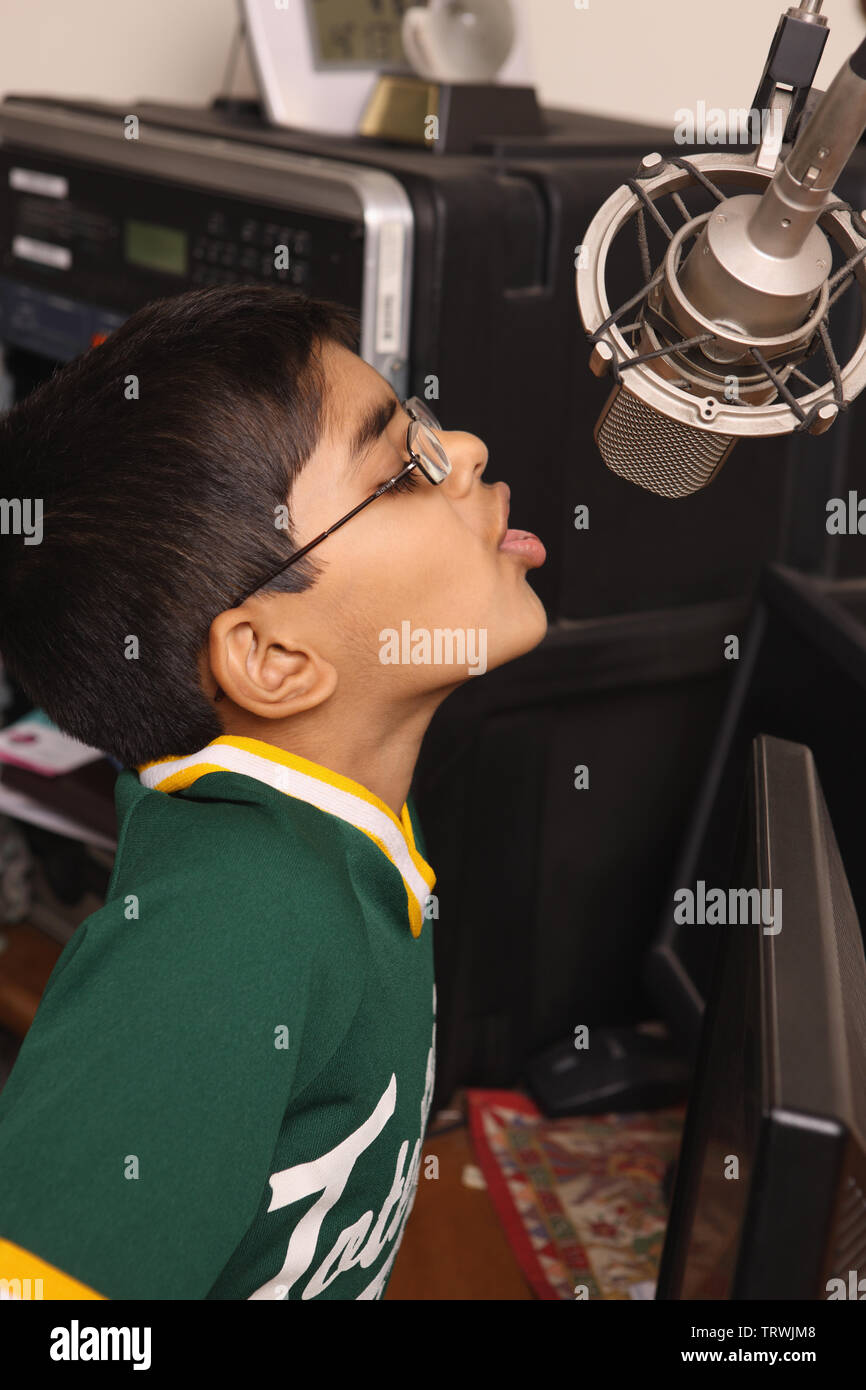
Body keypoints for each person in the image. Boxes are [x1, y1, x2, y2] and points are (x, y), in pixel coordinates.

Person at [0, 284, 547, 1300]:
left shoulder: (342, 823)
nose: (463, 450)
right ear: (270, 657)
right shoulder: (227, 929)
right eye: (403, 467)